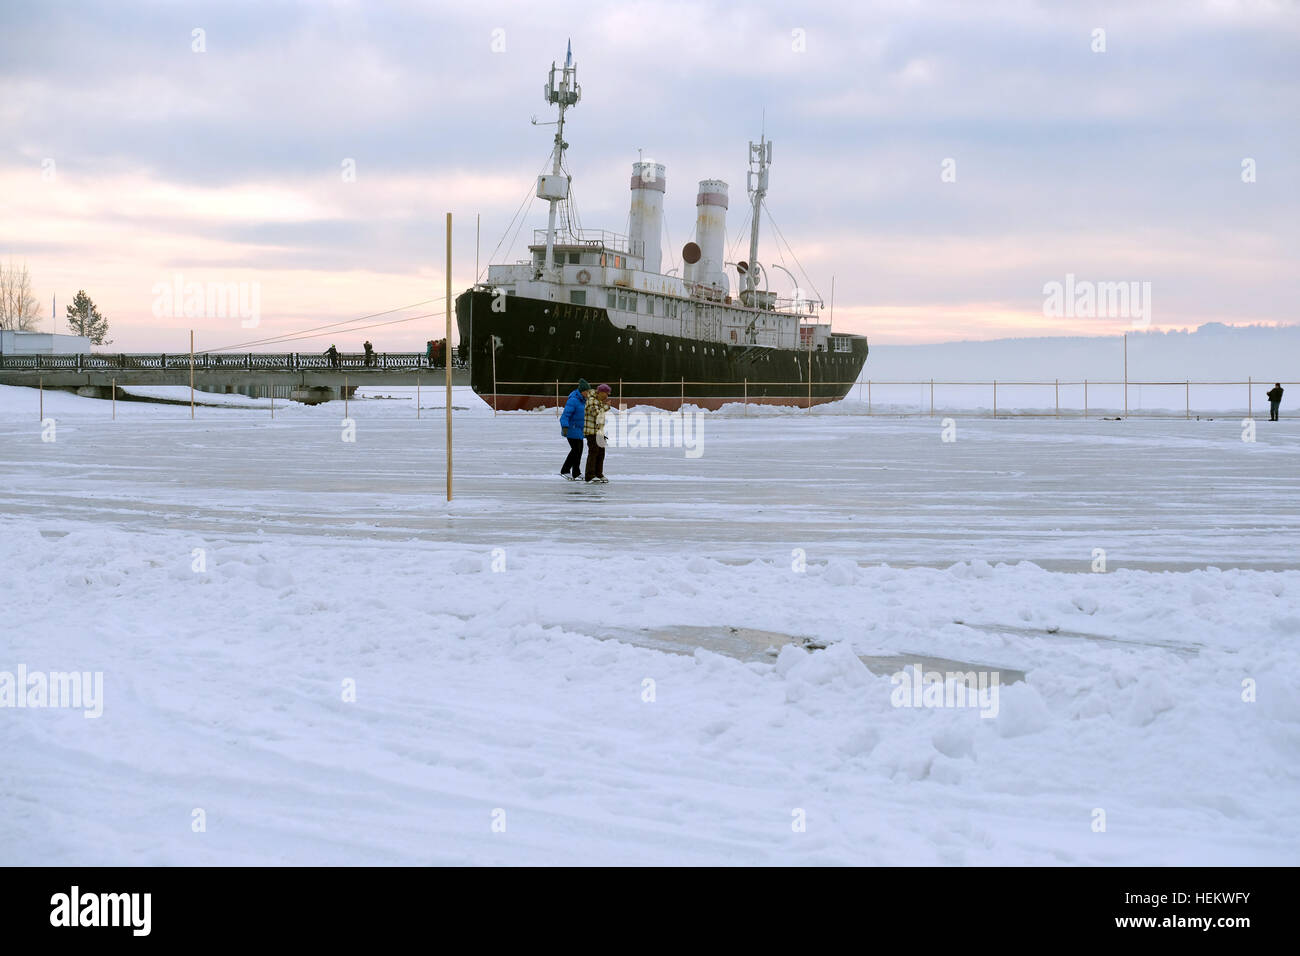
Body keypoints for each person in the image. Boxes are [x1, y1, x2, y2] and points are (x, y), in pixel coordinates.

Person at [559, 378, 591, 480]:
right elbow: (565, 415)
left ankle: (576, 472)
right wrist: (564, 426)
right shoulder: (573, 400)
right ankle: (565, 470)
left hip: (579, 431)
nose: (589, 393)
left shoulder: (583, 401)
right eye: (588, 391)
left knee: (579, 451)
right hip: (571, 430)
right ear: (582, 391)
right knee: (575, 451)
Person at [584, 384, 612, 482]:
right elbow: (596, 413)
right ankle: (590, 475)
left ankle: (598, 474)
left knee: (601, 453)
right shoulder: (592, 400)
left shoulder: (598, 401)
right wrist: (606, 406)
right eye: (606, 394)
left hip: (599, 432)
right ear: (601, 392)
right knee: (593, 452)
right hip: (591, 432)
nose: (607, 396)